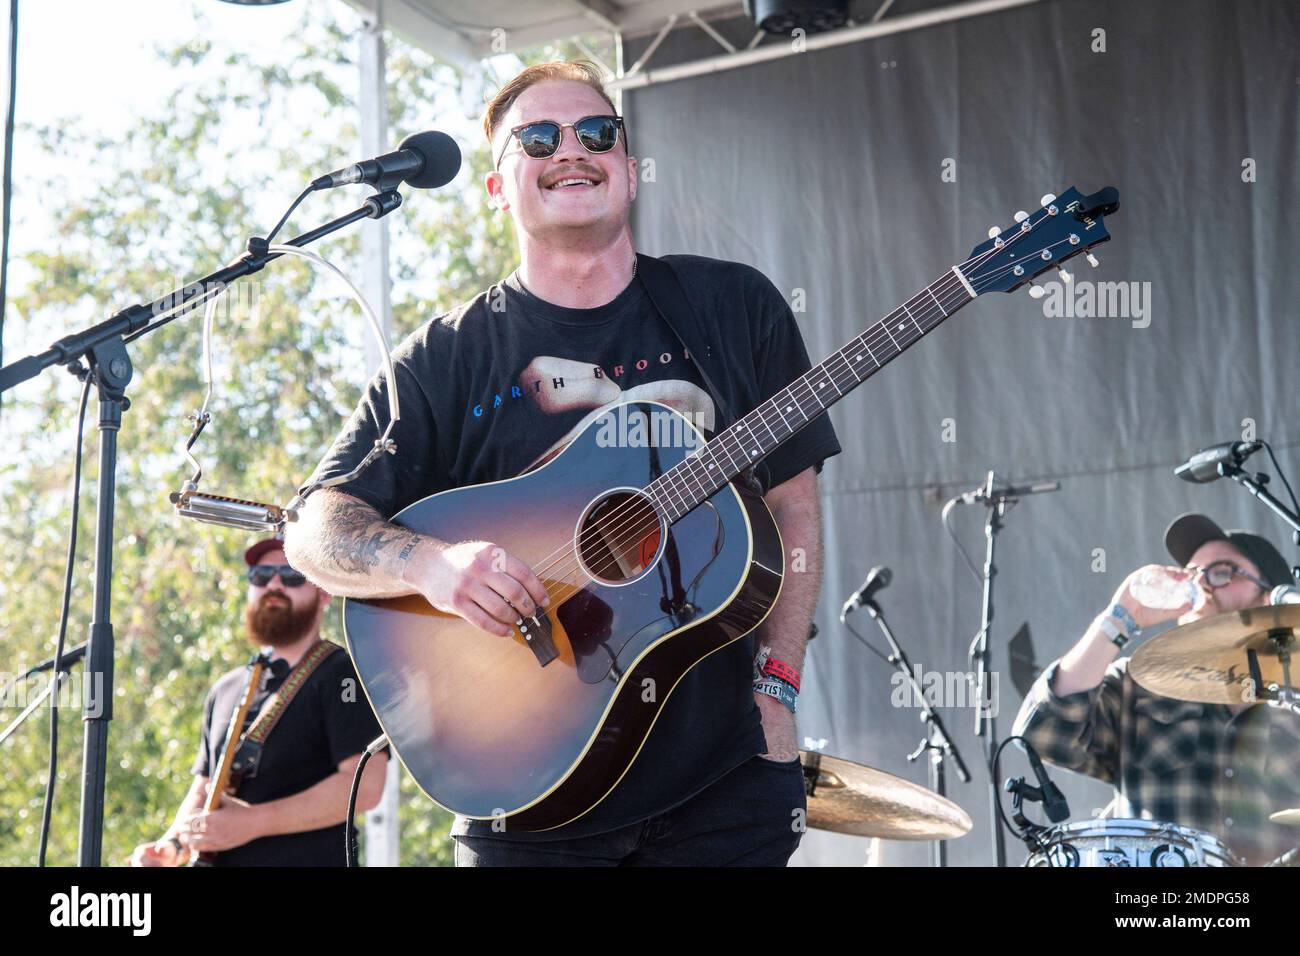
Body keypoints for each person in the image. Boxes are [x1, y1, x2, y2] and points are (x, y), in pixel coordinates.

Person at [285, 60, 841, 866]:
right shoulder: (445, 358)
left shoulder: (731, 307)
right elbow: (315, 530)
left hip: (722, 780)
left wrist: (779, 684)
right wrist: (433, 564)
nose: (571, 151)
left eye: (597, 134)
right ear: (498, 189)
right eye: (538, 138)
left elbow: (792, 509)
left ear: (631, 169)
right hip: (523, 796)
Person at [1013, 512, 1300, 865]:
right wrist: (1119, 619)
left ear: (1271, 598)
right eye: (1192, 575)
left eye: (1222, 572)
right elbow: (1044, 734)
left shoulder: (1294, 707)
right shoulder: (1140, 685)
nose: (1203, 586)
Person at [128, 538, 388, 867]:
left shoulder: (343, 674)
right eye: (261, 575)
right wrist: (174, 844)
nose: (274, 584)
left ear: (324, 593)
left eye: (291, 575)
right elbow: (206, 787)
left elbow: (365, 785)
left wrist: (253, 822)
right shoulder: (227, 687)